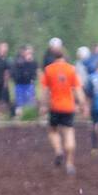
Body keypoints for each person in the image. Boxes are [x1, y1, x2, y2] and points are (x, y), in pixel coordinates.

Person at [41, 46, 86, 174]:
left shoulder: (48, 70)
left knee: (53, 130)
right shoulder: (71, 69)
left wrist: (43, 105)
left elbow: (44, 91)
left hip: (55, 106)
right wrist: (83, 104)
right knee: (69, 132)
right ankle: (70, 163)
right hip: (68, 107)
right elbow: (78, 90)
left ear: (52, 57)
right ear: (64, 55)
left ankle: (58, 150)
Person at [12, 45, 38, 115]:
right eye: (27, 52)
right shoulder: (18, 60)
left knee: (30, 101)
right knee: (19, 101)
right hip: (20, 83)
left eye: (30, 52)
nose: (29, 54)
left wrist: (33, 78)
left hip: (29, 84)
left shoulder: (33, 62)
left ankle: (29, 115)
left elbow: (35, 72)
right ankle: (18, 115)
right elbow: (15, 71)